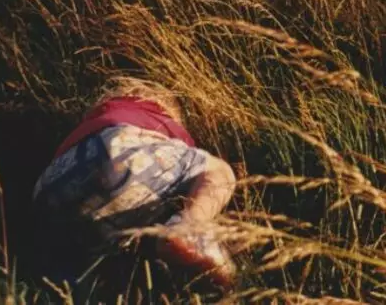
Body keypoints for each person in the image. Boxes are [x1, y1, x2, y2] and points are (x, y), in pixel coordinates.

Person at [32, 77, 238, 290]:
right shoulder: (156, 115)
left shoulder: (95, 120)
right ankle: (188, 229)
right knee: (216, 171)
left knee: (83, 262)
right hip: (118, 153)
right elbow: (189, 173)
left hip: (49, 185)